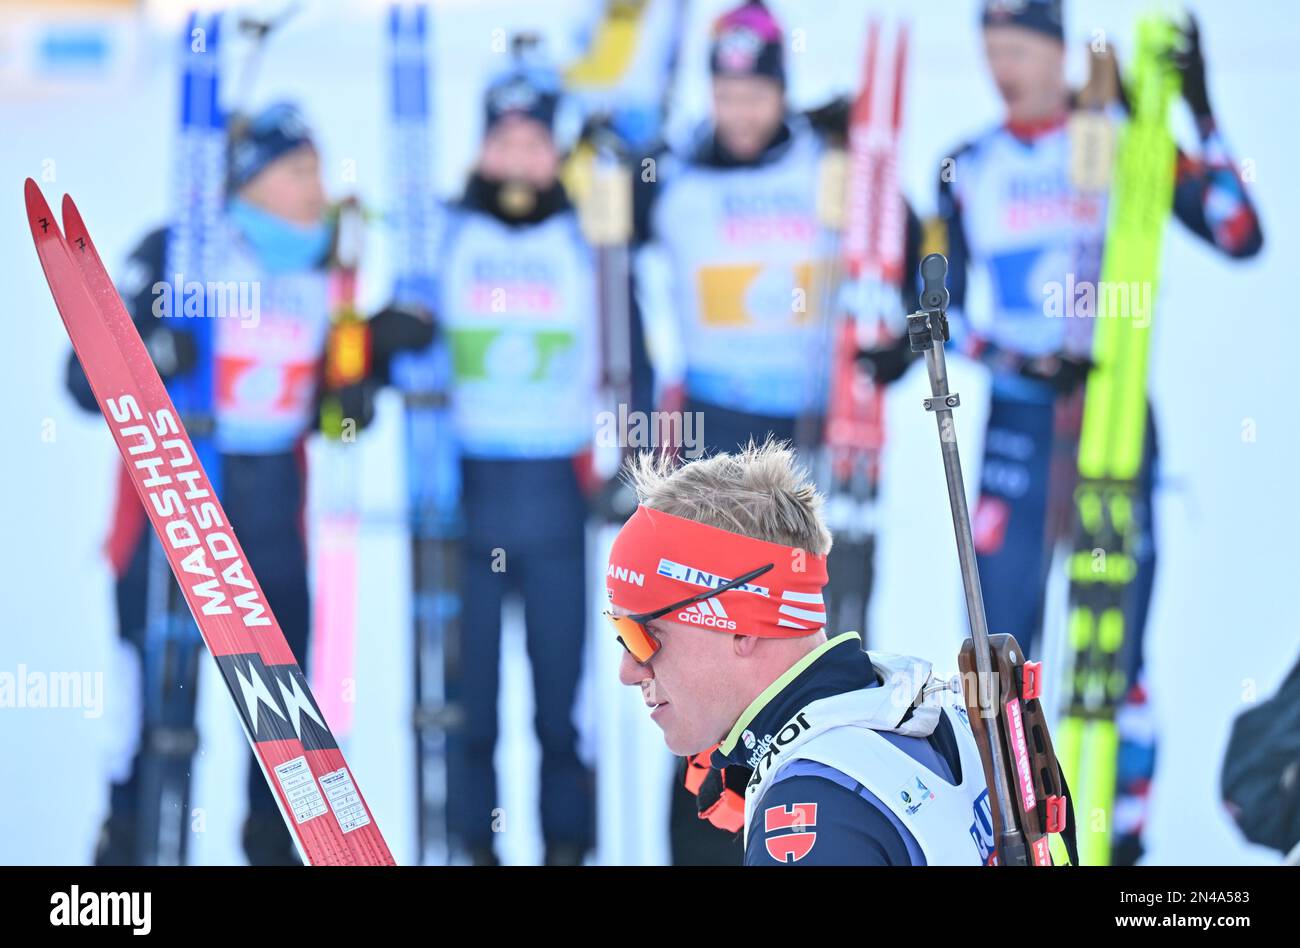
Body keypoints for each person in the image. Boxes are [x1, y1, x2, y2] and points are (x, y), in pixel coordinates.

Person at [934, 0, 1264, 863]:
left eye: (1020, 49)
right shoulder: (968, 166)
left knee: (1112, 650)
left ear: (1058, 52)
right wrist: (1017, 359)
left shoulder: (1128, 136)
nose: (1003, 69)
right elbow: (935, 315)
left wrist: (1198, 110)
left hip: (1112, 421)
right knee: (998, 652)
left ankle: (1121, 841)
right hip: (1021, 424)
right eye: (991, 49)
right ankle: (1005, 833)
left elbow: (1239, 231)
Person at [67, 102, 429, 865]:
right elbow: (80, 378)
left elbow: (330, 404)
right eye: (298, 170)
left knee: (282, 719)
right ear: (252, 180)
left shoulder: (328, 267)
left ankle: (274, 844)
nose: (316, 187)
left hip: (272, 511)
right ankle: (129, 849)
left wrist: (367, 372)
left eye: (317, 169)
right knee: (155, 705)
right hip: (175, 499)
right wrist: (151, 351)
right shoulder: (181, 252)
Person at [633, 0, 922, 863]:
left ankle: (815, 821)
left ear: (781, 93)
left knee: (791, 644)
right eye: (726, 94)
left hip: (803, 436)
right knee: (695, 644)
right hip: (711, 437)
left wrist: (900, 343)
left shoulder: (825, 165)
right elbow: (602, 253)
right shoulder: (674, 174)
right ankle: (699, 843)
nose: (741, 111)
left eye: (756, 95)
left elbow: (903, 246)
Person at [603, 440, 995, 865]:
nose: (627, 671)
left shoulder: (810, 816)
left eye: (643, 635)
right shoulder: (939, 712)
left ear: (742, 626)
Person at [429, 58, 629, 865]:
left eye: (534, 143)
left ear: (556, 153)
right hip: (468, 494)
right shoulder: (448, 233)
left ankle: (566, 847)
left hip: (554, 493)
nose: (517, 158)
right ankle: (472, 846)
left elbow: (633, 354)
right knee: (469, 706)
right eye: (503, 141)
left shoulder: (586, 238)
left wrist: (633, 458)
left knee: (560, 707)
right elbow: (397, 335)